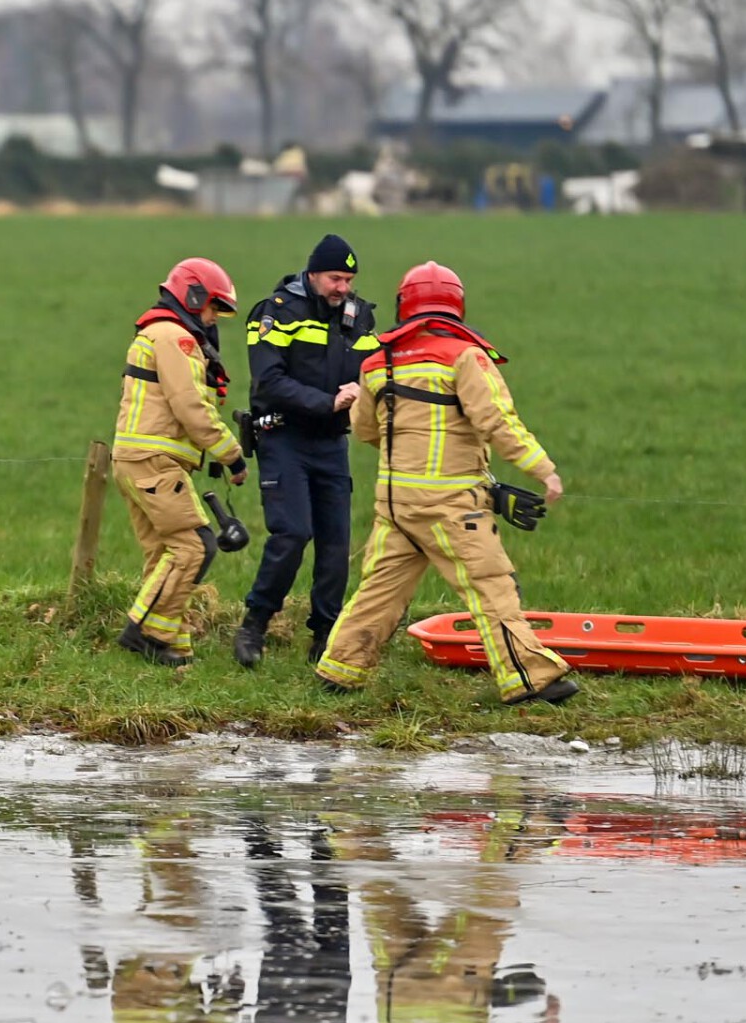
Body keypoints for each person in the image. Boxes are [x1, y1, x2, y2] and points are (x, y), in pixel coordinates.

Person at [315, 261, 577, 705]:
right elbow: (497, 420)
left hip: (396, 503)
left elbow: (363, 428)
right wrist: (542, 468)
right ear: (456, 306)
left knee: (380, 589)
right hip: (452, 504)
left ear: (405, 306)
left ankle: (340, 669)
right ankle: (529, 677)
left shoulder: (379, 362)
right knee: (491, 587)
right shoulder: (464, 357)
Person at [234, 233, 379, 669]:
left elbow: (371, 369)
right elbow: (268, 381)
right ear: (313, 273)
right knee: (293, 534)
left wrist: (365, 390)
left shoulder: (360, 317)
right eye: (335, 278)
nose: (343, 288)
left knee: (336, 543)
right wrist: (327, 402)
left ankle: (326, 636)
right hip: (285, 439)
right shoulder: (276, 313)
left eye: (349, 280)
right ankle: (254, 624)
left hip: (331, 443)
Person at [112, 259, 246, 667]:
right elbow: (190, 406)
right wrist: (230, 453)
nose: (213, 318)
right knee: (194, 548)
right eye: (211, 307)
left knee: (164, 557)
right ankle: (143, 632)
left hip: (137, 460)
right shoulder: (176, 338)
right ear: (191, 297)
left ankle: (174, 647)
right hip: (156, 461)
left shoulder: (157, 332)